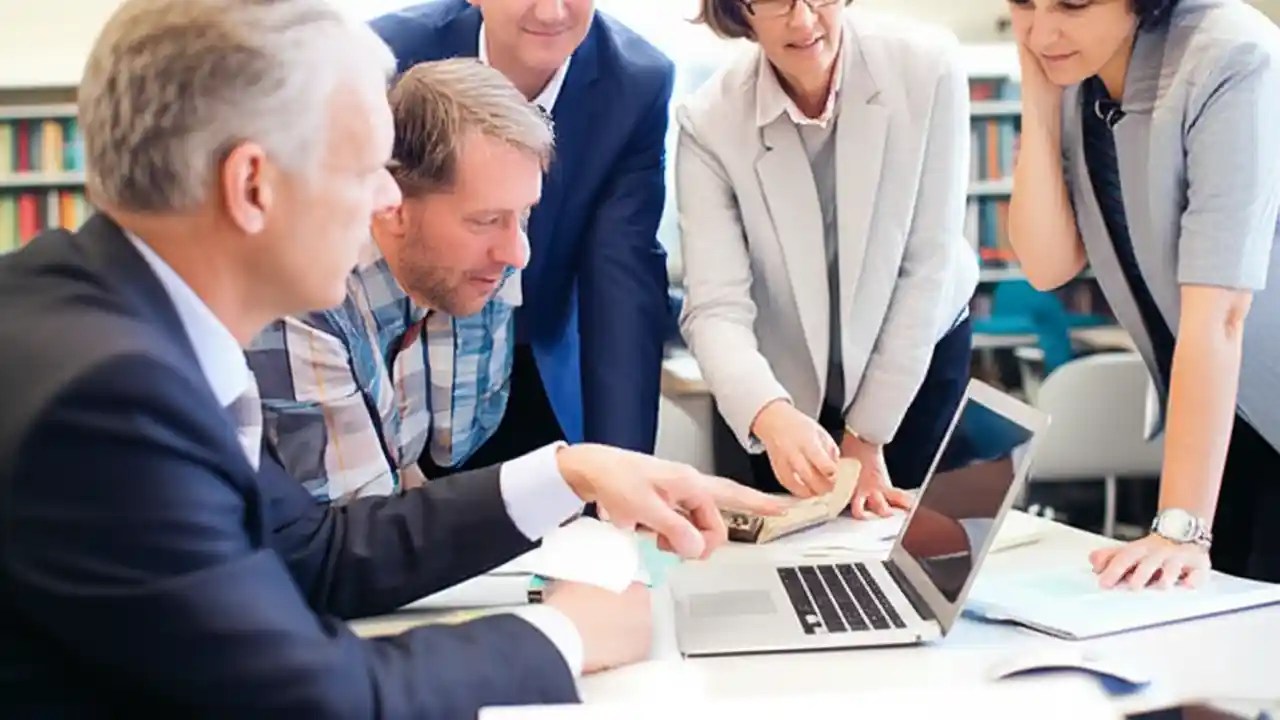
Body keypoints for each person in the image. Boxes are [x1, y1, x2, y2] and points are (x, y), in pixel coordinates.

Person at [0, 1, 784, 716]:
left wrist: (571, 472)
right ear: (253, 185)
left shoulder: (118, 325)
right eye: (366, 167)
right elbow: (311, 701)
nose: (388, 202)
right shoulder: (106, 402)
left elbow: (313, 552)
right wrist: (565, 636)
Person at [1006, 0, 1280, 587]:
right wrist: (1038, 96)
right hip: (1222, 421)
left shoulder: (1234, 56)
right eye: (1024, 3)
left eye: (1073, 5)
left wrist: (1180, 529)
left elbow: (1221, 315)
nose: (1043, 31)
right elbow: (1047, 265)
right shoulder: (1080, 73)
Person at [676, 0, 979, 515]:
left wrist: (867, 434)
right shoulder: (709, 121)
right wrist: (770, 414)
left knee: (914, 540)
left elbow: (926, 266)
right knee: (799, 546)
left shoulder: (927, 66)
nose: (802, 20)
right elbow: (714, 308)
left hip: (913, 358)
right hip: (786, 384)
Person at [369, 0, 674, 473]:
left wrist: (626, 468)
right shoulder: (382, 57)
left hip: (535, 355)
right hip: (394, 356)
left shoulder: (636, 82)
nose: (551, 12)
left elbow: (622, 280)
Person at [247, 58, 549, 502]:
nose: (518, 255)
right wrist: (566, 475)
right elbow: (355, 529)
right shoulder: (303, 307)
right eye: (486, 220)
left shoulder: (450, 268)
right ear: (391, 205)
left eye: (523, 215)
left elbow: (420, 463)